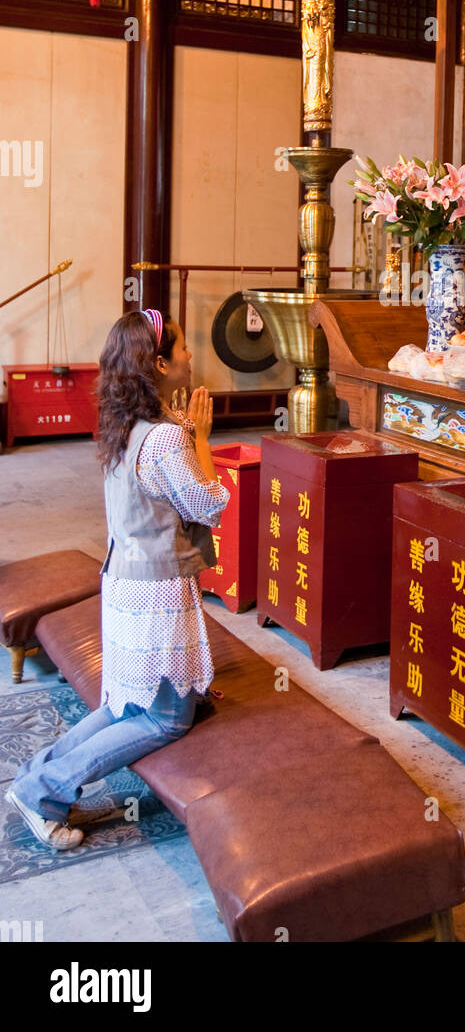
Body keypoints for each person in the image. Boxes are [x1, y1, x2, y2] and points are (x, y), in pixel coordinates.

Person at [5, 309, 229, 850]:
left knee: (128, 705)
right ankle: (45, 790)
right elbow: (208, 505)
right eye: (182, 348)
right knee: (165, 720)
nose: (190, 355)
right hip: (156, 593)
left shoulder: (124, 426)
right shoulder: (167, 440)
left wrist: (186, 429)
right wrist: (202, 440)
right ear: (160, 364)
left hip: (124, 581)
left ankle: (36, 774)